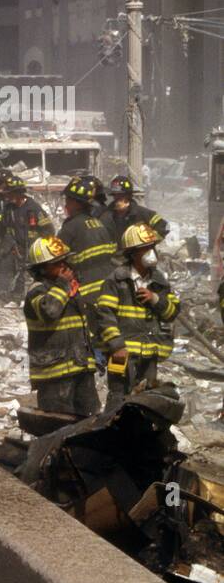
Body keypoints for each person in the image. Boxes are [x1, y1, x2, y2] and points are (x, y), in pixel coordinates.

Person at [94, 224, 180, 412]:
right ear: (133, 253)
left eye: (152, 246)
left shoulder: (159, 280)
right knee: (118, 399)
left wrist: (155, 299)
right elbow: (105, 314)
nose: (152, 252)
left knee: (147, 401)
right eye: (146, 248)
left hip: (150, 353)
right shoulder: (116, 280)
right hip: (123, 353)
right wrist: (116, 345)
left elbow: (172, 313)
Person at [22, 237, 99, 417]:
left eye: (65, 261)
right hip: (53, 373)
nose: (64, 267)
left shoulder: (69, 290)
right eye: (57, 263)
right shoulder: (36, 291)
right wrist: (63, 285)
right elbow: (50, 312)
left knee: (90, 421)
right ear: (42, 267)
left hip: (80, 367)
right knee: (57, 426)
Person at [56, 176, 117, 308]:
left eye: (68, 200)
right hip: (109, 286)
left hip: (87, 291)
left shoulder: (71, 226)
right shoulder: (98, 222)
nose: (66, 204)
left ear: (77, 203)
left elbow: (55, 258)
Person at [0, 175, 55, 298]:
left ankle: (35, 297)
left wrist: (42, 250)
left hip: (33, 250)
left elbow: (49, 230)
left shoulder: (33, 208)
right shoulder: (8, 209)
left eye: (10, 194)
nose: (7, 197)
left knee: (33, 278)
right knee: (14, 275)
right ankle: (13, 296)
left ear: (19, 193)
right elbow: (2, 230)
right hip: (17, 249)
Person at [101, 175, 169, 242]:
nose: (117, 199)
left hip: (140, 252)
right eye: (115, 195)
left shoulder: (140, 213)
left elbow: (162, 226)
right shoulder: (107, 217)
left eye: (121, 195)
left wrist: (149, 241)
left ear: (129, 196)